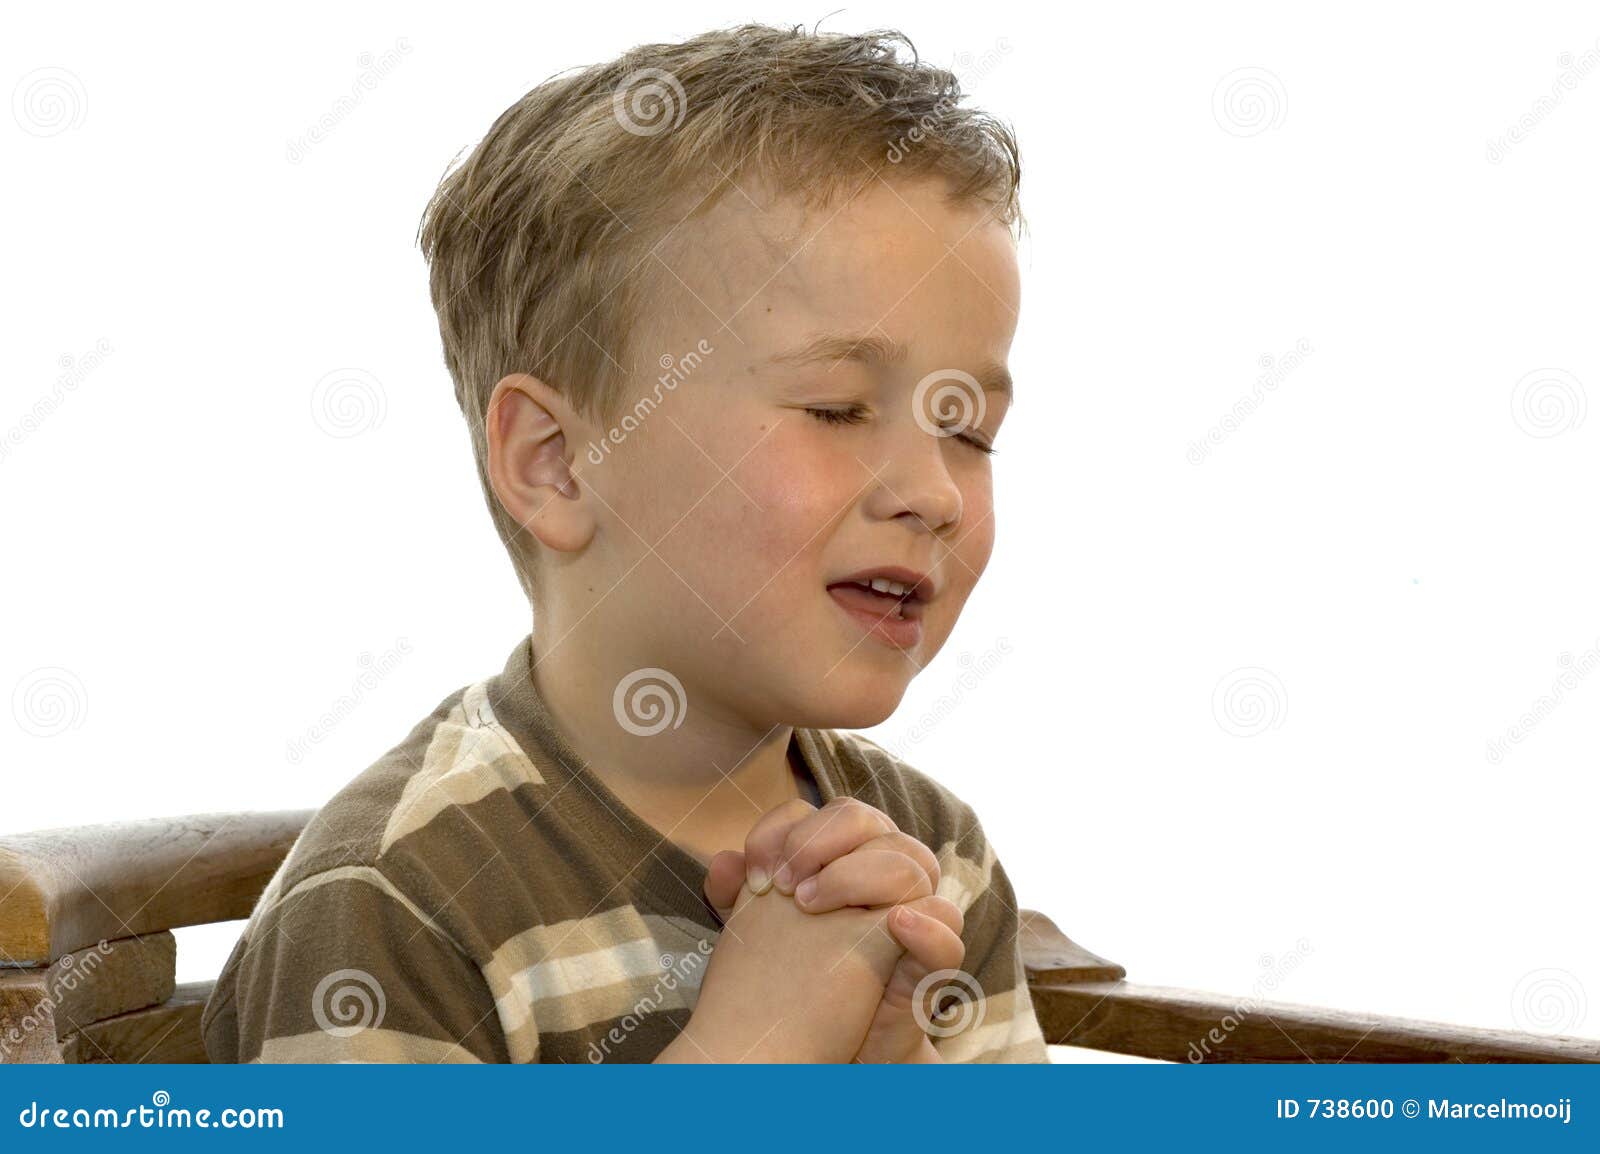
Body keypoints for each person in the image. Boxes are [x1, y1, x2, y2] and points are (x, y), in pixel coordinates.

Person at [200, 21, 1046, 1063]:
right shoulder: (392, 909)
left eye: (967, 429)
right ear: (555, 461)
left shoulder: (936, 857)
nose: (932, 491)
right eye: (835, 408)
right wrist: (747, 1053)